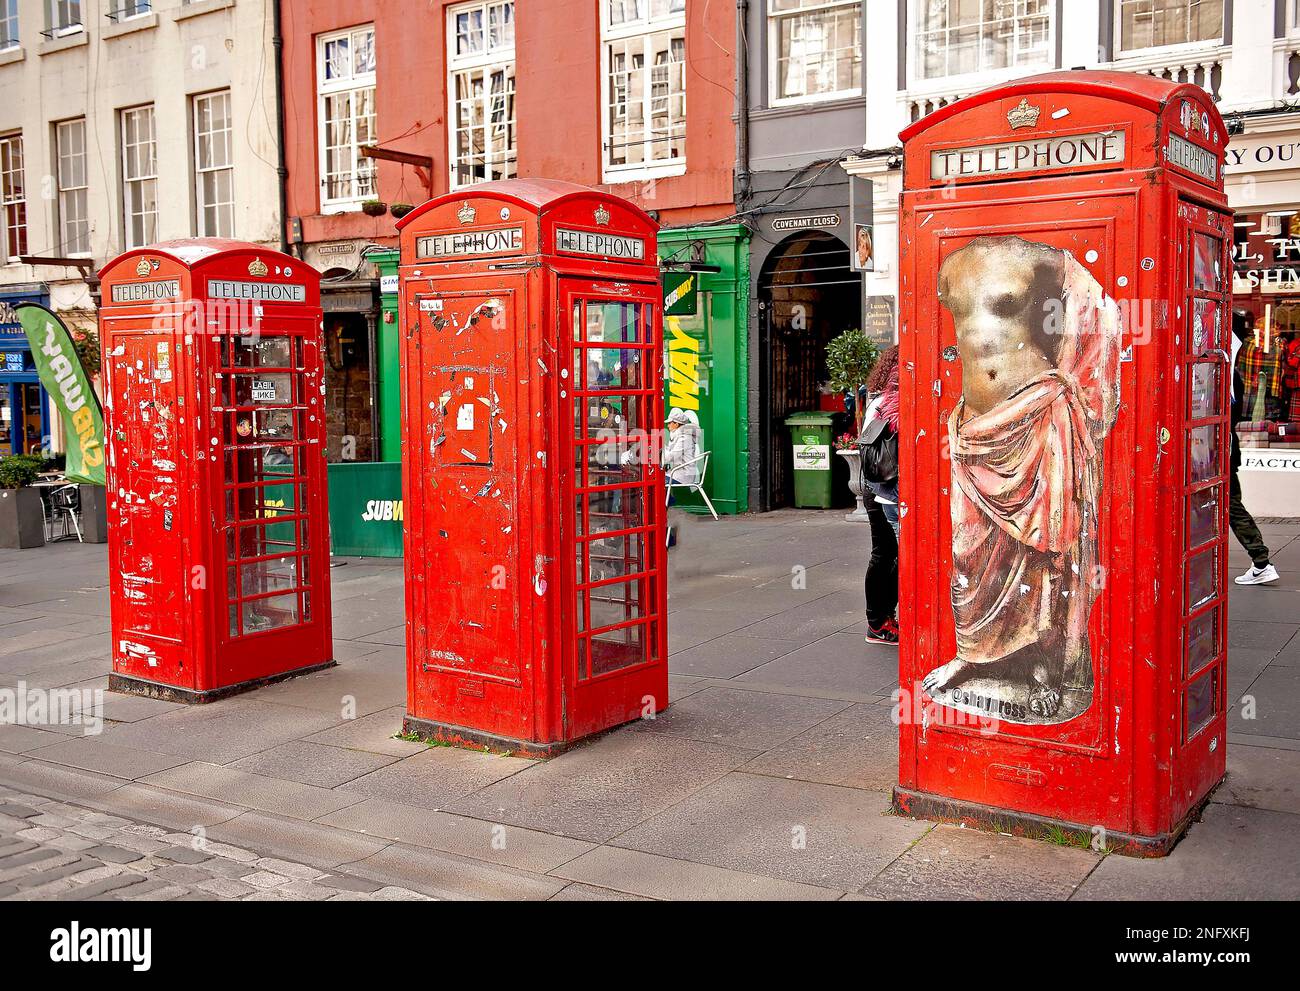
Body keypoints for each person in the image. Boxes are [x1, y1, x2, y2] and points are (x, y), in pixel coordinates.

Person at [924, 236, 1121, 722]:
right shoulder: (949, 264)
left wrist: (1076, 386)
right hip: (975, 427)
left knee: (1044, 552)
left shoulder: (1046, 261)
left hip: (1036, 414)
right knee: (967, 549)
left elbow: (1098, 312)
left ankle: (1045, 670)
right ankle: (973, 653)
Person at [1230, 310, 1279, 585]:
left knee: (1230, 506)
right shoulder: (1231, 369)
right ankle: (1261, 561)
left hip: (1217, 450)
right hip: (1221, 448)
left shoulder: (1229, 372)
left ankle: (1261, 561)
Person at [861, 346, 900, 645]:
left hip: (876, 487)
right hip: (882, 489)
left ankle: (884, 618)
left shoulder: (878, 400)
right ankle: (877, 622)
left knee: (887, 555)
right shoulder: (886, 404)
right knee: (885, 555)